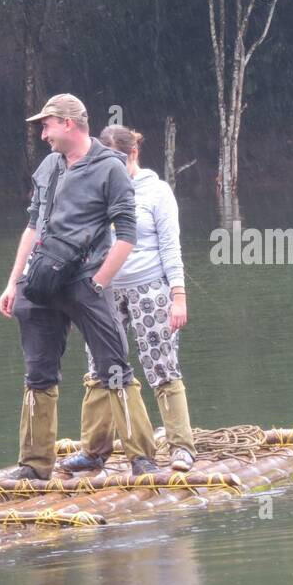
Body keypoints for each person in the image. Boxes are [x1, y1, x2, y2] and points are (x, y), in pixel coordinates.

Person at [0, 94, 159, 479]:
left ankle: (142, 458)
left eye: (46, 125)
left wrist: (99, 281)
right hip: (39, 283)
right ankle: (35, 465)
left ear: (68, 123)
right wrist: (12, 282)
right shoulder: (48, 167)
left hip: (85, 281)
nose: (42, 133)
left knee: (116, 366)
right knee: (38, 373)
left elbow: (127, 235)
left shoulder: (111, 169)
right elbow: (33, 227)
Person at [64, 125, 196, 473]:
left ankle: (181, 446)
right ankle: (95, 449)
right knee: (99, 366)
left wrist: (178, 296)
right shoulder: (98, 189)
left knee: (161, 364)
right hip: (104, 291)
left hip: (150, 287)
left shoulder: (157, 192)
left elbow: (170, 247)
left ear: (133, 154)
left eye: (117, 160)